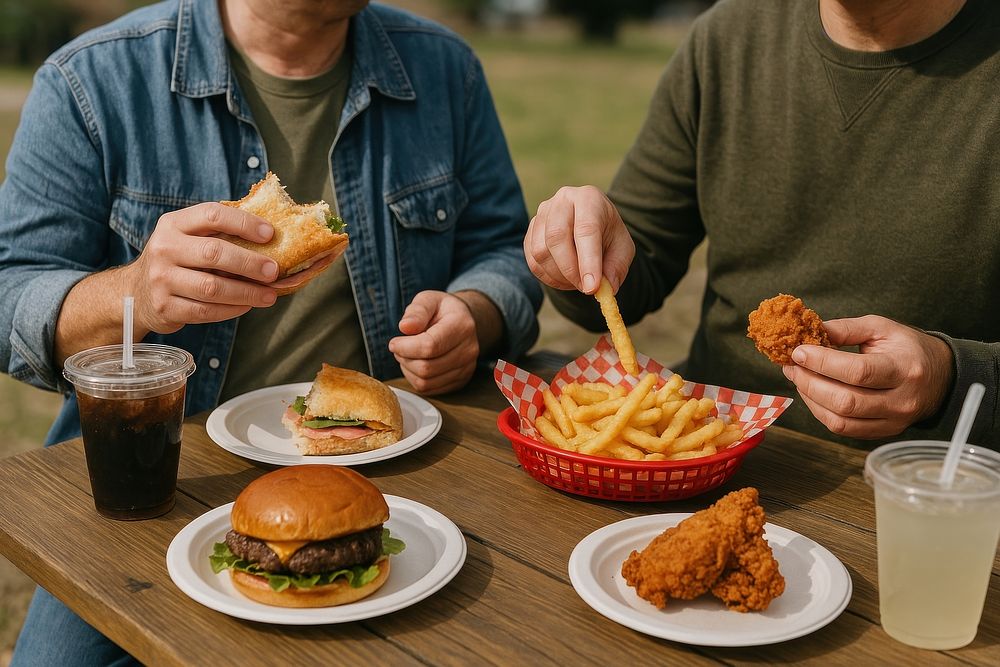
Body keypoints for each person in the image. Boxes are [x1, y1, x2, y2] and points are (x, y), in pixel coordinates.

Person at [0, 0, 540, 662]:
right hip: (152, 486)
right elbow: (10, 294)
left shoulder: (445, 69)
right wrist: (134, 289)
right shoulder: (92, 81)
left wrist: (476, 312)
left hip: (392, 482)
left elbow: (504, 248)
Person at [526, 0, 999, 445]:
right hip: (713, 449)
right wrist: (574, 250)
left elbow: (967, 382)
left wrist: (953, 378)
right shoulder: (727, 40)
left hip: (931, 482)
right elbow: (637, 261)